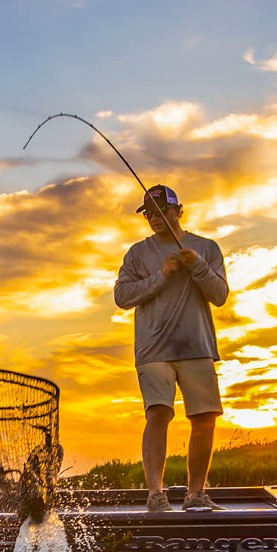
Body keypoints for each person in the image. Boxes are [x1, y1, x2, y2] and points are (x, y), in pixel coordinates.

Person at [112, 184, 230, 512]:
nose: (154, 218)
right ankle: (155, 495)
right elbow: (121, 297)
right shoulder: (138, 253)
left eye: (161, 210)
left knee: (205, 417)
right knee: (158, 413)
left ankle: (196, 496)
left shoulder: (206, 248)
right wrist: (160, 276)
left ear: (179, 210)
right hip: (153, 350)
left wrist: (197, 266)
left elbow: (219, 295)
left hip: (197, 345)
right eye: (148, 212)